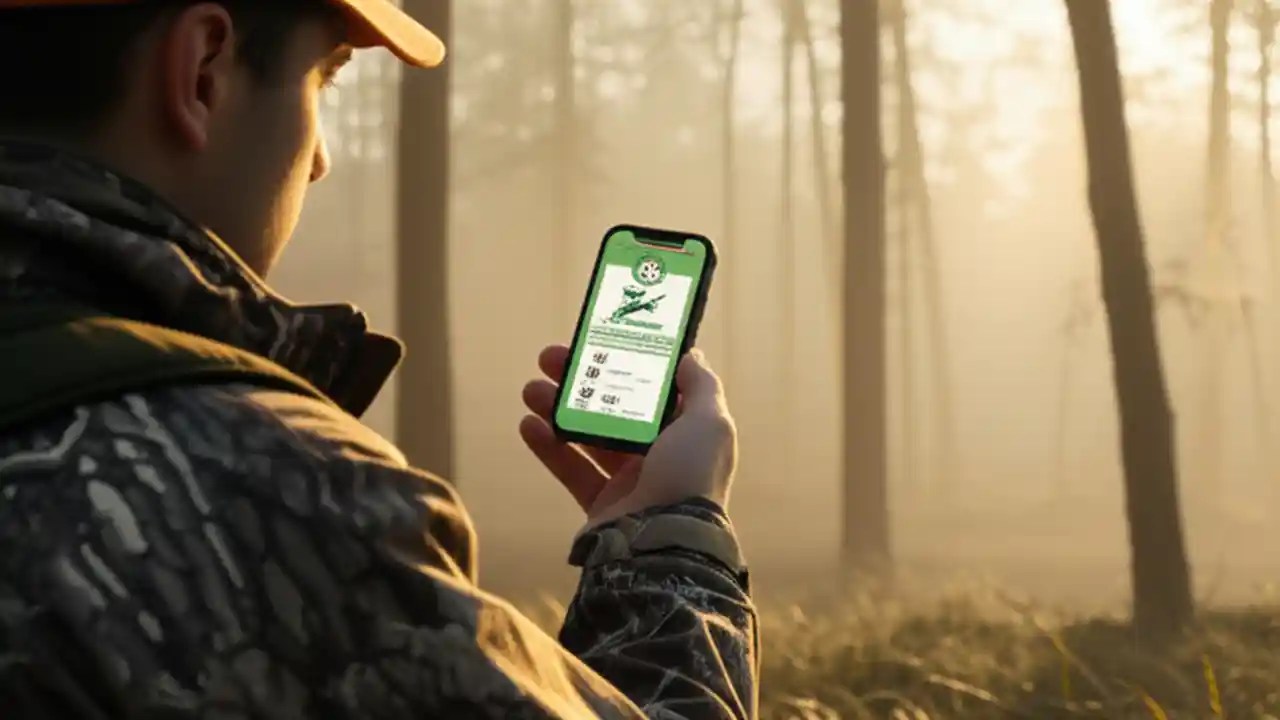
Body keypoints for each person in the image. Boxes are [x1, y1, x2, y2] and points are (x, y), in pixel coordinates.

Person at [0, 1, 757, 718]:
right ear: (203, 69)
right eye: (322, 79)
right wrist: (674, 538)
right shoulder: (282, 495)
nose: (320, 159)